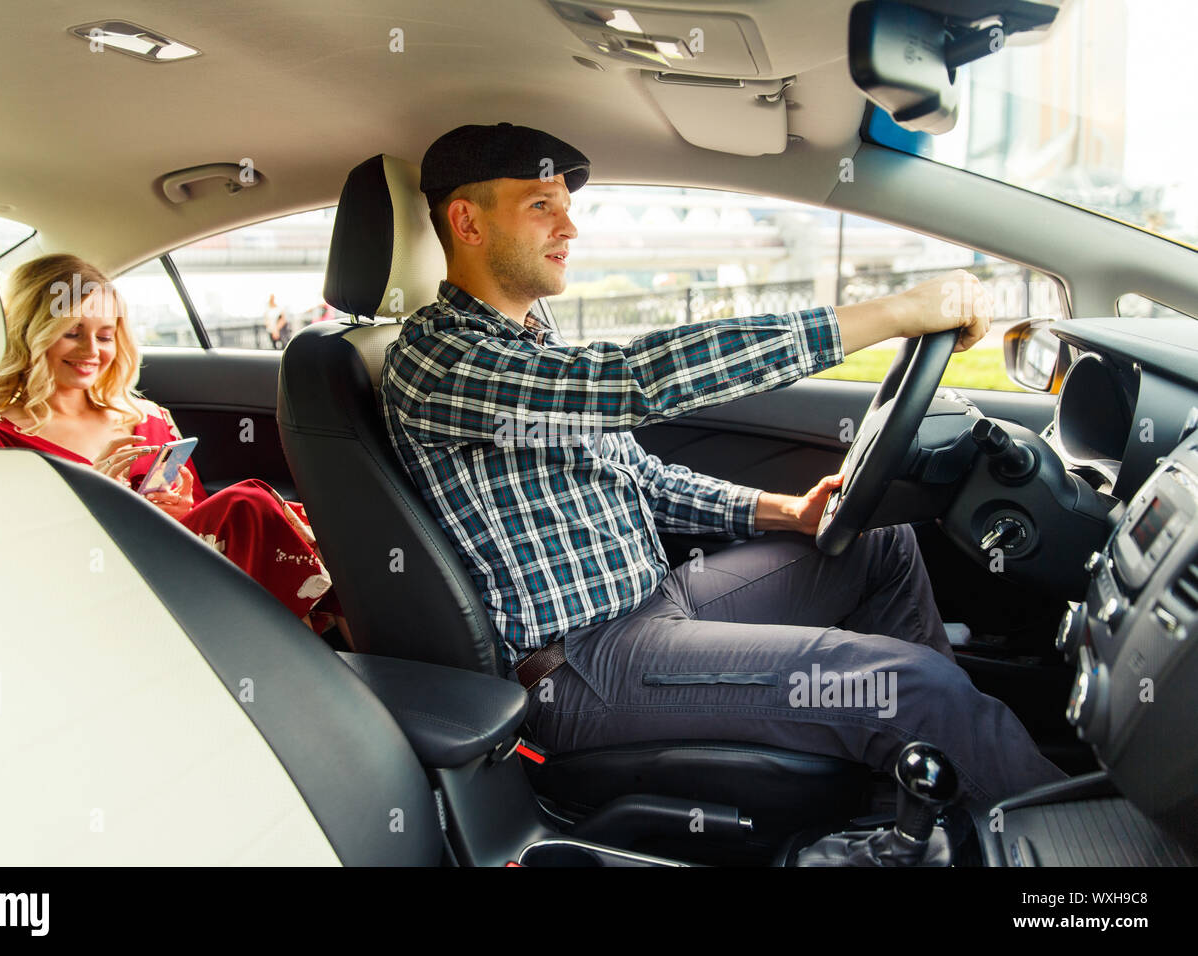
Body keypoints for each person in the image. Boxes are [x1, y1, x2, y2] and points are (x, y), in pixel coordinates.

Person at [379, 122, 1067, 809]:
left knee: (879, 543)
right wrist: (894, 313)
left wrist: (785, 511)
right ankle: (1072, 855)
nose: (570, 228)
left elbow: (643, 479)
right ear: (467, 221)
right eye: (541, 206)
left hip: (659, 602)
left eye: (567, 206)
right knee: (905, 687)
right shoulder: (438, 359)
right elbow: (638, 380)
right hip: (581, 665)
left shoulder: (532, 342)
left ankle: (934, 785)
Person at [0, 254, 348, 640]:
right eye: (72, 332)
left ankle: (349, 653)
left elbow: (194, 515)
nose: (92, 351)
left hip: (176, 569)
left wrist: (175, 509)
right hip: (90, 588)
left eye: (105, 336)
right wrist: (97, 504)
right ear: (29, 332)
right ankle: (300, 650)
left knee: (325, 522)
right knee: (248, 504)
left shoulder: (147, 417)